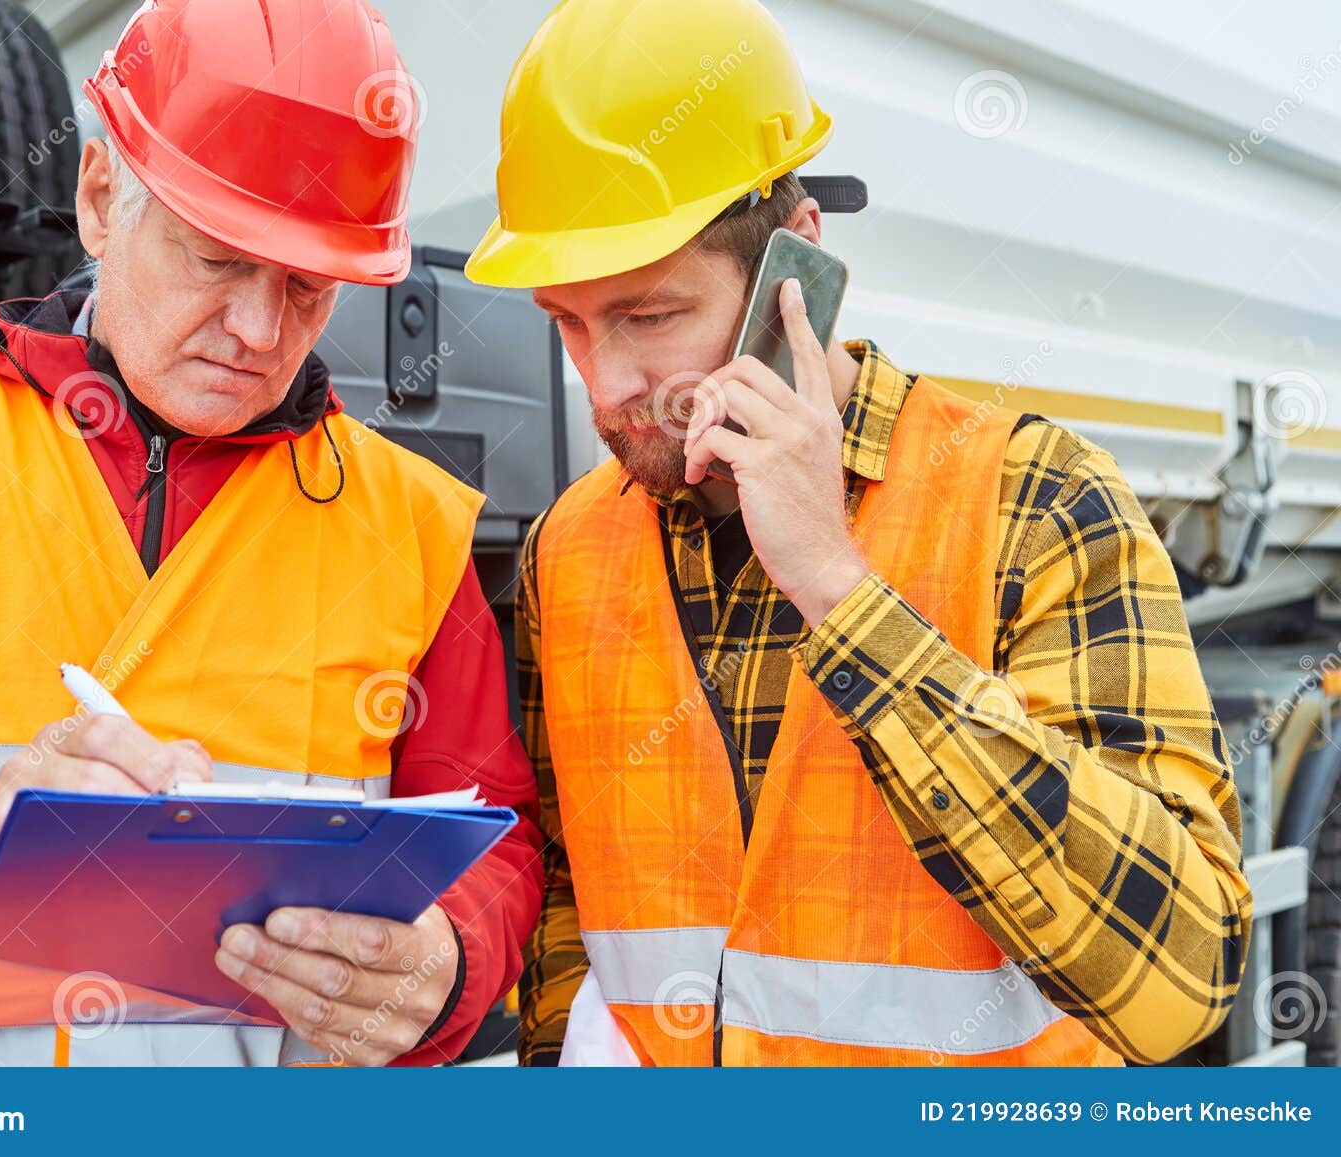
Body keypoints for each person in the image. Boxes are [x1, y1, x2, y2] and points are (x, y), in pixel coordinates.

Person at [0, 0, 541, 1067]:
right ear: (102, 198)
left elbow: (495, 844)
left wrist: (451, 962)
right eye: (218, 259)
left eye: (309, 284)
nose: (261, 332)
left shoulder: (413, 524)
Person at [465, 0, 1251, 1066]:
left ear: (796, 264)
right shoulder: (569, 548)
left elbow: (1181, 977)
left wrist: (841, 590)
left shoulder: (1037, 500)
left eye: (650, 318)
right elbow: (568, 940)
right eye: (565, 321)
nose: (606, 386)